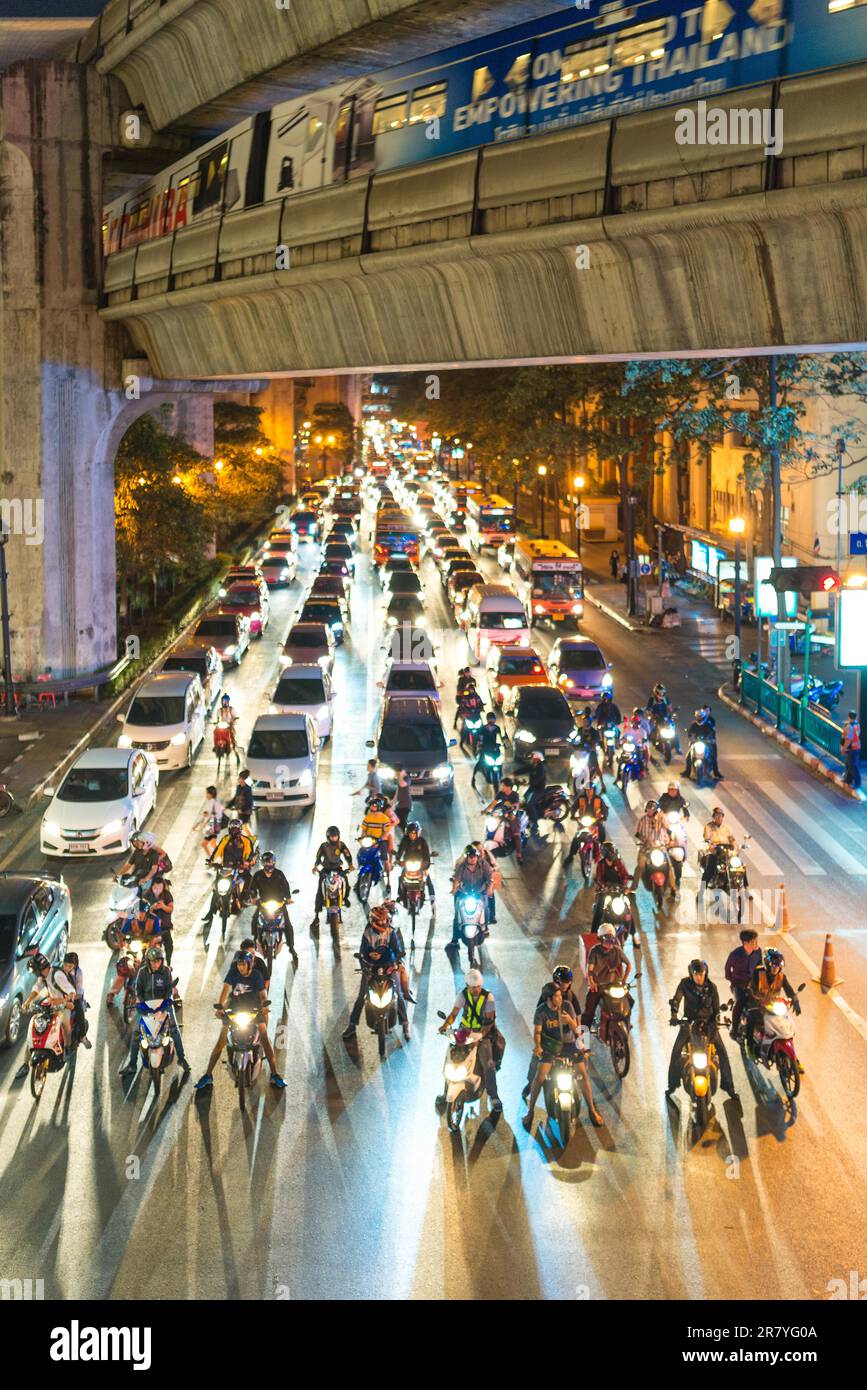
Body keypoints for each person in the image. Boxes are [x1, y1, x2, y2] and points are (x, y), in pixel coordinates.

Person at [195, 948, 285, 1090]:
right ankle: (208, 1075)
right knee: (221, 1042)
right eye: (238, 964)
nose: (240, 967)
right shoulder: (233, 973)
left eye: (243, 964)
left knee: (265, 1039)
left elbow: (263, 995)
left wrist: (264, 1006)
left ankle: (274, 1074)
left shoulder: (257, 976)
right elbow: (225, 990)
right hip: (235, 1009)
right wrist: (221, 1008)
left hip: (254, 1010)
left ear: (249, 964)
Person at [523, 981, 603, 1129]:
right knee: (539, 1078)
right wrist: (538, 1046)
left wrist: (570, 1021)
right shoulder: (541, 1011)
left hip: (569, 1045)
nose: (560, 999)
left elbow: (577, 1030)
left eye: (560, 995)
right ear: (549, 998)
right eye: (557, 996)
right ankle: (530, 1112)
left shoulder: (567, 1006)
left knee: (583, 1075)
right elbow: (538, 1032)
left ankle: (592, 1110)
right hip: (550, 1047)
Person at [666, 958, 737, 1101]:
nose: (699, 977)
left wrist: (715, 1022)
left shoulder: (712, 988)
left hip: (708, 1024)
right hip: (689, 1023)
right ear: (691, 974)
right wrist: (674, 1014)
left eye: (701, 974)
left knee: (722, 1053)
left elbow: (716, 1010)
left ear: (705, 974)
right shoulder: (684, 984)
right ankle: (672, 1085)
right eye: (696, 974)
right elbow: (677, 999)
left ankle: (729, 1087)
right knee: (676, 1050)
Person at [119, 943, 190, 1079]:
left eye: (158, 961)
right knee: (136, 1034)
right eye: (153, 961)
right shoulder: (142, 972)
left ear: (162, 961)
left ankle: (182, 1058)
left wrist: (166, 1002)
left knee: (174, 1030)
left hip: (163, 1005)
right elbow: (138, 990)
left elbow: (168, 990)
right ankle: (132, 1064)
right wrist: (140, 1003)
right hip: (146, 1007)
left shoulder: (166, 972)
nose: (156, 964)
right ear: (148, 962)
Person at [342, 904, 409, 1041]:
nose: (383, 923)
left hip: (389, 967)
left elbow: (398, 951)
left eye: (385, 920)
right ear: (373, 921)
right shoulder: (367, 934)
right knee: (362, 996)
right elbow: (362, 953)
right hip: (370, 968)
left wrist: (396, 963)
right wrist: (366, 965)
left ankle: (405, 1025)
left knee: (399, 994)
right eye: (380, 921)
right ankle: (352, 1025)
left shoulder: (391, 932)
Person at [438, 968, 501, 1111]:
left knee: (488, 1063)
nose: (476, 990)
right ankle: (445, 1091)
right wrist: (445, 1026)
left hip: (482, 1032)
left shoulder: (489, 997)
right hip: (464, 1031)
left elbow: (489, 1020)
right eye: (472, 987)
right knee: (451, 1057)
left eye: (478, 986)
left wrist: (481, 1034)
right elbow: (454, 1014)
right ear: (467, 986)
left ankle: (493, 1095)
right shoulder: (462, 995)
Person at [18, 953, 76, 1071]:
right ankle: (25, 1065)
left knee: (65, 1026)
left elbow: (71, 991)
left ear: (40, 969)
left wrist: (62, 1002)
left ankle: (68, 1048)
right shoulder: (43, 977)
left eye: (35, 970)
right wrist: (27, 1002)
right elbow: (36, 988)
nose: (35, 973)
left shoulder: (57, 975)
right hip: (51, 1005)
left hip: (63, 1005)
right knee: (35, 1030)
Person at [745, 948, 802, 1058]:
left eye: (778, 966)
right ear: (767, 964)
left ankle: (794, 1058)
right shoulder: (758, 974)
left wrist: (795, 1000)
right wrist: (754, 1001)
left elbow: (789, 990)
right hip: (757, 1005)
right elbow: (750, 989)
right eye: (773, 965)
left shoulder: (781, 977)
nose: (776, 968)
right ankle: (749, 1047)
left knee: (785, 1026)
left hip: (772, 1006)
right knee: (751, 1019)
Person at [582, 924, 630, 1029]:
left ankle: (627, 1023)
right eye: (607, 940)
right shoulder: (594, 951)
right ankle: (583, 1035)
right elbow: (590, 969)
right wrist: (592, 982)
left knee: (629, 1001)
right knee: (589, 1011)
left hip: (615, 984)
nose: (610, 943)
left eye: (611, 940)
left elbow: (628, 964)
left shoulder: (617, 950)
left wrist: (624, 980)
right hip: (599, 985)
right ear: (601, 939)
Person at [250, 850, 296, 955]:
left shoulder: (279, 874)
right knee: (255, 920)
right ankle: (256, 938)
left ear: (274, 862)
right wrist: (253, 898)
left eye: (270, 862)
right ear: (263, 863)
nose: (268, 864)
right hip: (263, 904)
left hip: (279, 904)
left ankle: (291, 947)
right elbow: (252, 888)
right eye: (266, 862)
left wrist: (288, 898)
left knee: (288, 925)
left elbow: (285, 886)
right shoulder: (258, 875)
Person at [206, 818, 257, 912]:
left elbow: (250, 853)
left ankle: (244, 898)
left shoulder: (246, 840)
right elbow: (218, 849)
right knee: (216, 886)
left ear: (240, 829)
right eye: (232, 829)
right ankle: (211, 911)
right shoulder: (225, 839)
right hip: (226, 867)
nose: (234, 831)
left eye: (236, 829)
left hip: (240, 867)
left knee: (249, 878)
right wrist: (211, 860)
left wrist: (247, 862)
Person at [450, 843, 493, 946]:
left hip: (480, 892)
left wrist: (489, 888)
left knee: (486, 908)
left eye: (474, 857)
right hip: (464, 892)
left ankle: (485, 927)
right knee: (457, 912)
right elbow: (457, 879)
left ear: (477, 857)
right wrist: (454, 889)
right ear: (467, 857)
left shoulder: (484, 865)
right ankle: (455, 937)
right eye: (470, 857)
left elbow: (490, 878)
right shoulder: (462, 866)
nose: (473, 859)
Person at [311, 826, 354, 925]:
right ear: (328, 837)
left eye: (336, 836)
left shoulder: (341, 845)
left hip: (337, 869)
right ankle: (316, 915)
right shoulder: (323, 846)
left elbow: (347, 855)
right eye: (332, 836)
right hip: (326, 869)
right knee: (320, 889)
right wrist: (315, 866)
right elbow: (318, 858)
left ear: (338, 836)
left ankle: (345, 898)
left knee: (346, 882)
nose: (334, 838)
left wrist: (350, 864)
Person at [631, 799, 675, 894]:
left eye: (652, 810)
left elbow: (668, 830)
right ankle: (633, 886)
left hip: (660, 847)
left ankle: (673, 888)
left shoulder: (660, 819)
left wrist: (671, 840)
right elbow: (637, 834)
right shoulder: (642, 820)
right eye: (648, 810)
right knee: (640, 866)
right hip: (646, 847)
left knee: (670, 866)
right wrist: (644, 840)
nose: (649, 812)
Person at [725, 928, 761, 1035]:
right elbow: (727, 969)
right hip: (738, 985)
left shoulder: (758, 952)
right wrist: (733, 981)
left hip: (753, 984)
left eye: (756, 940)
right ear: (746, 943)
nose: (756, 943)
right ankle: (734, 1028)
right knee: (740, 1002)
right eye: (754, 941)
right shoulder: (735, 955)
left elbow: (760, 968)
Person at [483, 776, 524, 862]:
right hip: (501, 815)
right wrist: (486, 810)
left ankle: (519, 855)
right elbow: (493, 803)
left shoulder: (514, 795)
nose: (501, 787)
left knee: (516, 835)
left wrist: (512, 809)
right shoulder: (500, 793)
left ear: (508, 787)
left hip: (512, 816)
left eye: (503, 785)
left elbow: (516, 806)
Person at [565, 784, 608, 865]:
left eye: (590, 790)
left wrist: (604, 816)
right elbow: (574, 807)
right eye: (587, 790)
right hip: (583, 821)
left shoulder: (598, 799)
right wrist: (573, 814)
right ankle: (571, 855)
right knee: (576, 838)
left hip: (595, 821)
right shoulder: (581, 798)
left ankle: (602, 849)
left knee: (602, 832)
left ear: (594, 790)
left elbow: (605, 809)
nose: (589, 792)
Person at [117, 830, 171, 894]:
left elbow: (154, 868)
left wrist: (156, 860)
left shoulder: (153, 850)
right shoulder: (137, 852)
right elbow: (128, 865)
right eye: (133, 842)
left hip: (150, 875)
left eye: (137, 841)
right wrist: (119, 874)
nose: (135, 844)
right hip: (139, 875)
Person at [591, 841, 630, 930]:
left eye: (613, 852)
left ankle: (632, 933)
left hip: (618, 890)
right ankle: (593, 932)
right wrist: (604, 886)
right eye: (611, 852)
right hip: (605, 891)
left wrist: (623, 884)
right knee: (599, 910)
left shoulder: (618, 863)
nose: (612, 854)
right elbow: (599, 878)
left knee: (627, 908)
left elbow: (625, 875)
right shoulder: (601, 864)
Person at [395, 820, 435, 903]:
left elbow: (426, 854)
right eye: (410, 833)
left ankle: (432, 899)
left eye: (414, 833)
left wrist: (426, 866)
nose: (412, 835)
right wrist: (398, 859)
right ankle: (400, 895)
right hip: (408, 863)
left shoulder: (422, 841)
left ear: (417, 833)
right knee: (401, 878)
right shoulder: (405, 840)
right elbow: (400, 850)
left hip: (420, 865)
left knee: (428, 879)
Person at [141, 874, 175, 965]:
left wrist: (163, 906)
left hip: (164, 927)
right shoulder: (147, 895)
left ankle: (168, 963)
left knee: (169, 944)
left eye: (160, 888)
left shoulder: (167, 895)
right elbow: (142, 909)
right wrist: (151, 908)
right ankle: (143, 960)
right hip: (149, 926)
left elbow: (170, 909)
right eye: (155, 888)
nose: (157, 890)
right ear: (152, 886)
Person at [471, 710, 507, 791]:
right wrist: (479, 746)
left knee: (500, 762)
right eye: (490, 719)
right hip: (485, 749)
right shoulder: (482, 729)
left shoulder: (497, 728)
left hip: (495, 749)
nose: (491, 721)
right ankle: (473, 778)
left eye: (493, 719)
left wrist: (504, 744)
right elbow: (480, 739)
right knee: (479, 763)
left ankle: (500, 775)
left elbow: (501, 738)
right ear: (487, 720)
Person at [700, 806, 735, 887]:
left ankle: (744, 887)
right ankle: (702, 890)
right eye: (717, 815)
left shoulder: (727, 828)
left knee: (740, 866)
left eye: (721, 816)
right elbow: (707, 838)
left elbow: (732, 840)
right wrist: (712, 846)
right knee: (709, 869)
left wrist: (735, 849)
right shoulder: (709, 826)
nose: (719, 817)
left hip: (727, 850)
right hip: (715, 850)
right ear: (714, 817)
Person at [62, 951, 91, 1049]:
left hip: (76, 996)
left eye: (70, 966)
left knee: (79, 1012)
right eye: (65, 965)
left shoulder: (78, 973)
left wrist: (69, 999)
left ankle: (82, 1036)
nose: (67, 968)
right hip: (62, 996)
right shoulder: (59, 972)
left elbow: (79, 991)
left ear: (75, 965)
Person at [359, 795, 394, 875]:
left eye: (373, 806)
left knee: (384, 857)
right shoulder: (368, 817)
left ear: (378, 807)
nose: (372, 807)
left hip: (380, 840)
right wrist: (362, 837)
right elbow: (364, 829)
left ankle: (388, 873)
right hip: (369, 840)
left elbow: (386, 831)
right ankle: (361, 868)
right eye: (371, 806)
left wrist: (381, 838)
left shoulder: (384, 818)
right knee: (361, 853)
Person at [576, 710, 606, 792]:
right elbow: (575, 739)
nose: (584, 723)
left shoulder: (593, 731)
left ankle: (603, 784)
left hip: (590, 752)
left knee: (596, 767)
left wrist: (593, 744)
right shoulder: (579, 730)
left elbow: (596, 741)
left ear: (589, 722)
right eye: (584, 721)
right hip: (581, 752)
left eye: (586, 721)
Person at [524, 750, 547, 833]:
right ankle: (530, 815)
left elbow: (539, 779)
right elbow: (525, 769)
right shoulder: (534, 766)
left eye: (533, 758)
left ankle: (535, 823)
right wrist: (514, 773)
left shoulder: (541, 767)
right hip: (533, 787)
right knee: (525, 797)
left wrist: (529, 783)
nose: (532, 760)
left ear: (537, 759)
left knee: (530, 803)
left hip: (539, 789)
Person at [198, 784, 226, 854]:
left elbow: (219, 815)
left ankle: (222, 857)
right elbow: (206, 814)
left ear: (211, 794)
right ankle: (214, 858)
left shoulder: (215, 802)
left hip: (214, 826)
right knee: (209, 844)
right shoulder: (209, 802)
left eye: (207, 793)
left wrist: (209, 817)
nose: (206, 795)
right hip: (212, 826)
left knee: (206, 844)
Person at [456, 683, 484, 748]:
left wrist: (481, 708)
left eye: (472, 689)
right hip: (468, 716)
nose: (471, 690)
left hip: (476, 716)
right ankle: (461, 742)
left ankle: (482, 741)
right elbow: (462, 705)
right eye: (470, 689)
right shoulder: (465, 698)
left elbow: (481, 704)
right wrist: (465, 710)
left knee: (482, 728)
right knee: (464, 730)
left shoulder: (477, 697)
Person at [841, 710, 862, 788]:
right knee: (849, 764)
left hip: (852, 748)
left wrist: (843, 749)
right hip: (857, 747)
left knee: (852, 766)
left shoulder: (850, 727)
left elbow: (848, 740)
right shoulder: (857, 725)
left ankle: (857, 782)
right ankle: (848, 780)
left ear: (849, 717)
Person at [392, 764, 413, 831]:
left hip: (406, 804)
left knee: (402, 823)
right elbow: (397, 792)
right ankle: (409, 830)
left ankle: (409, 832)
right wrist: (392, 803)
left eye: (396, 772)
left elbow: (402, 784)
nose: (395, 774)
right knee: (396, 819)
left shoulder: (407, 778)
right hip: (400, 804)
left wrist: (400, 775)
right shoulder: (399, 779)